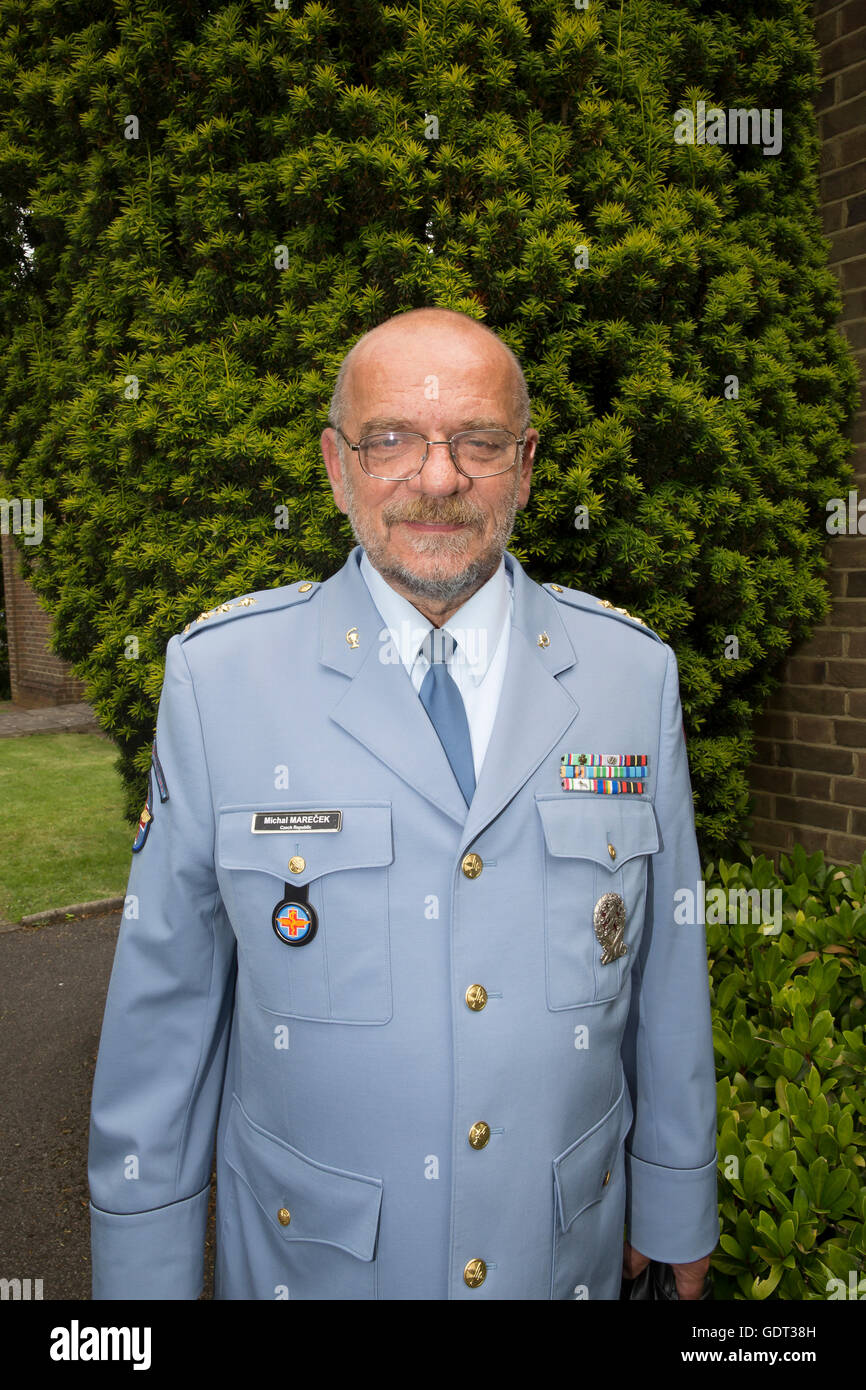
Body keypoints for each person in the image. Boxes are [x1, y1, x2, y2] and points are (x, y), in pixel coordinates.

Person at [88, 306, 718, 1300]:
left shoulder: (627, 675)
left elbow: (666, 971)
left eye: (478, 441)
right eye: (393, 441)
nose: (437, 479)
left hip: (563, 1258)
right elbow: (163, 1020)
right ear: (338, 467)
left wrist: (676, 1196)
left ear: (525, 462)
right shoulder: (222, 682)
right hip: (318, 1266)